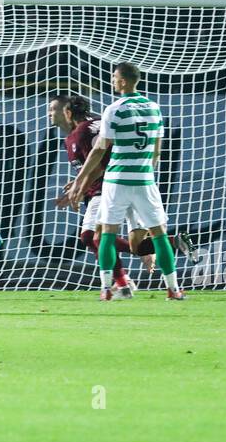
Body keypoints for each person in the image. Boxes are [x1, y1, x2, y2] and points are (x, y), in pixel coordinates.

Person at [68, 62, 184, 301]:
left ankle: (106, 290)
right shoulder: (154, 108)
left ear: (122, 81)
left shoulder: (114, 109)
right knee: (159, 234)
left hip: (116, 179)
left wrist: (80, 181)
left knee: (107, 234)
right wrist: (145, 173)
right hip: (143, 180)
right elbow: (157, 151)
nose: (112, 81)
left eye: (113, 77)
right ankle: (173, 289)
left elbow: (100, 148)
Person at [49, 92, 153, 299]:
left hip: (107, 189)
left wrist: (80, 186)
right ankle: (126, 278)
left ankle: (124, 282)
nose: (50, 114)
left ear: (67, 112)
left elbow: (102, 162)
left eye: (53, 109)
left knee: (92, 236)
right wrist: (78, 183)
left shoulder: (81, 133)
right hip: (122, 184)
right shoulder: (94, 125)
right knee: (98, 238)